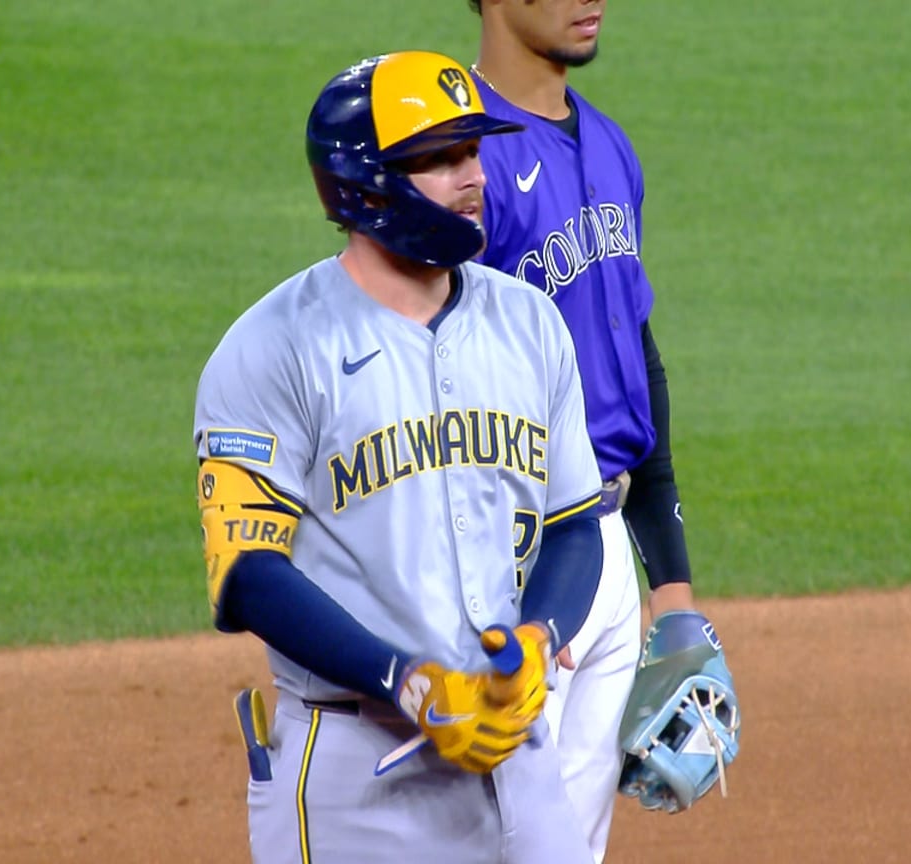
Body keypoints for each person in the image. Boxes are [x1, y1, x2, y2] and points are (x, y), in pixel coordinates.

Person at [192, 50, 605, 864]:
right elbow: (247, 573)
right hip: (359, 773)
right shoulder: (273, 348)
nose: (473, 177)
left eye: (473, 151)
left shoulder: (530, 324)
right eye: (440, 159)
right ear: (365, 182)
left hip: (516, 753)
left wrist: (539, 635)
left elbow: (573, 525)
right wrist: (408, 682)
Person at [465, 1, 724, 858]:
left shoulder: (611, 146)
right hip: (521, 562)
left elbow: (636, 367)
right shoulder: (460, 162)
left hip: (607, 554)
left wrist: (672, 590)